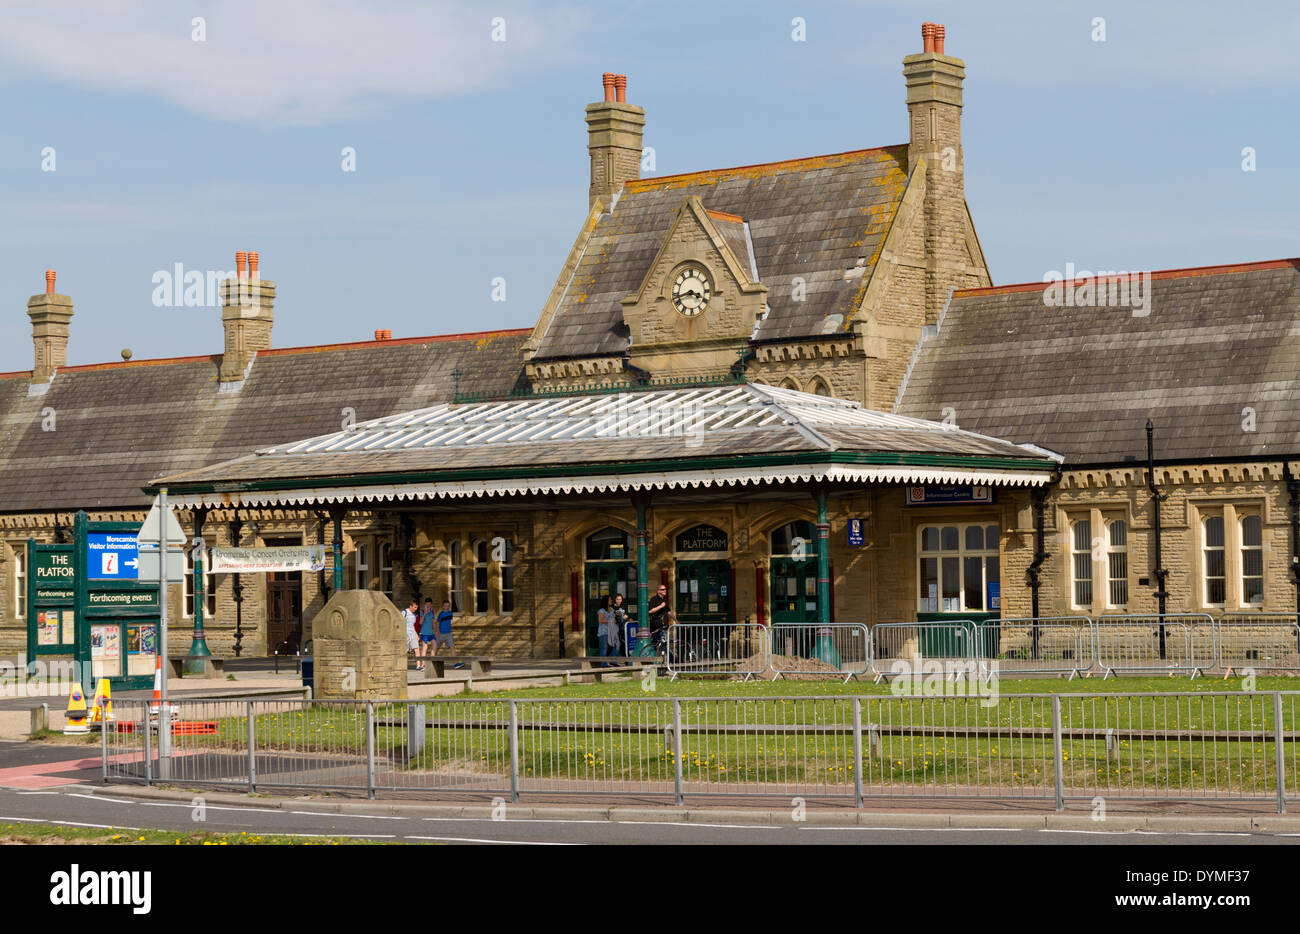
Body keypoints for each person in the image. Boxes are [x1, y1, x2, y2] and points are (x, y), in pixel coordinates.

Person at [433, 600, 462, 669]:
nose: (447, 607)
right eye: (445, 606)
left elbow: (448, 622)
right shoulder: (441, 614)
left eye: (448, 606)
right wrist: (437, 632)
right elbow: (437, 623)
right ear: (443, 606)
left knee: (452, 647)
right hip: (441, 634)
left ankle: (456, 664)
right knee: (436, 649)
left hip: (448, 634)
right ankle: (431, 662)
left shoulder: (450, 613)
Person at [648, 583, 671, 654]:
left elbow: (668, 612)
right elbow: (650, 611)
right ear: (658, 591)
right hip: (655, 625)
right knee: (660, 644)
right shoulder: (653, 599)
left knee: (660, 643)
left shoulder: (664, 600)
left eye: (665, 589)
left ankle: (663, 659)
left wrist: (676, 620)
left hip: (662, 626)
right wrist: (660, 606)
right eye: (663, 589)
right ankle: (671, 659)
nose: (665, 591)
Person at [403, 599, 422, 671]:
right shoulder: (404, 612)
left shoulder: (414, 615)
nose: (416, 609)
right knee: (404, 651)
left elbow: (412, 626)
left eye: (417, 607)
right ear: (410, 606)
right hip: (405, 635)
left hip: (412, 634)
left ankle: (418, 666)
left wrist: (416, 635)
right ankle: (403, 666)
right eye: (415, 607)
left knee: (417, 649)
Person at [418, 598, 437, 663]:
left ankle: (432, 662)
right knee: (425, 648)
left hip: (431, 633)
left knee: (435, 646)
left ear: (431, 605)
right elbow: (420, 622)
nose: (428, 606)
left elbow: (433, 622)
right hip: (424, 633)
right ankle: (423, 664)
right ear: (425, 604)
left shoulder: (432, 611)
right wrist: (425, 613)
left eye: (429, 605)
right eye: (427, 605)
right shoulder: (422, 612)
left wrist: (436, 632)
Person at [596, 594, 613, 664]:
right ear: (606, 601)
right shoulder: (601, 611)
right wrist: (610, 621)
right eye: (610, 599)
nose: (611, 601)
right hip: (603, 632)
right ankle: (603, 664)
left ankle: (611, 661)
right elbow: (600, 620)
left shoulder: (612, 609)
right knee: (604, 648)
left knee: (613, 647)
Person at [610, 593, 627, 658]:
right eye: (617, 599)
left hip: (622, 627)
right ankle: (612, 658)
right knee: (616, 643)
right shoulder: (612, 607)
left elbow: (625, 615)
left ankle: (625, 657)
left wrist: (626, 616)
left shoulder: (623, 606)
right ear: (615, 600)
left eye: (620, 599)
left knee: (623, 642)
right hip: (615, 627)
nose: (619, 601)